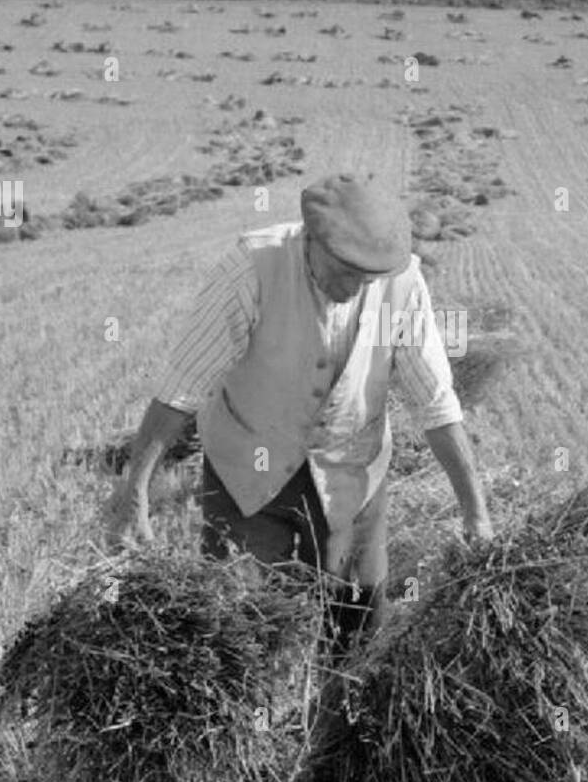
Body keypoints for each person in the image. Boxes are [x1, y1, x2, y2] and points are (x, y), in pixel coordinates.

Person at [105, 172, 492, 653]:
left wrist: (475, 512)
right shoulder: (252, 268)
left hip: (353, 476)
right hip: (249, 474)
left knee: (355, 625)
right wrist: (136, 490)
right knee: (238, 629)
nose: (355, 287)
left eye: (368, 277)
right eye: (345, 271)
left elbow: (435, 402)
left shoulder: (403, 283)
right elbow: (181, 389)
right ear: (311, 239)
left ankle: (335, 722)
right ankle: (252, 719)